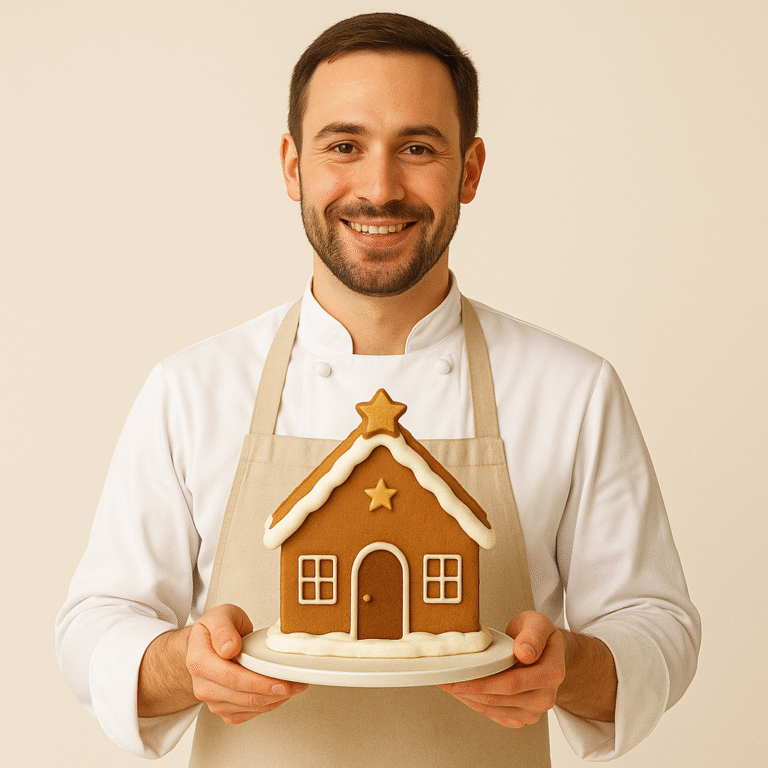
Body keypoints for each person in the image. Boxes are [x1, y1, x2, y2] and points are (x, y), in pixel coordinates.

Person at [56, 12, 700, 766]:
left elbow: (657, 623)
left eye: (418, 148)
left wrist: (574, 669)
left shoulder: (573, 389)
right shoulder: (190, 389)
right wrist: (182, 663)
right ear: (294, 166)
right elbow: (95, 622)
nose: (380, 187)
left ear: (470, 169)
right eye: (344, 146)